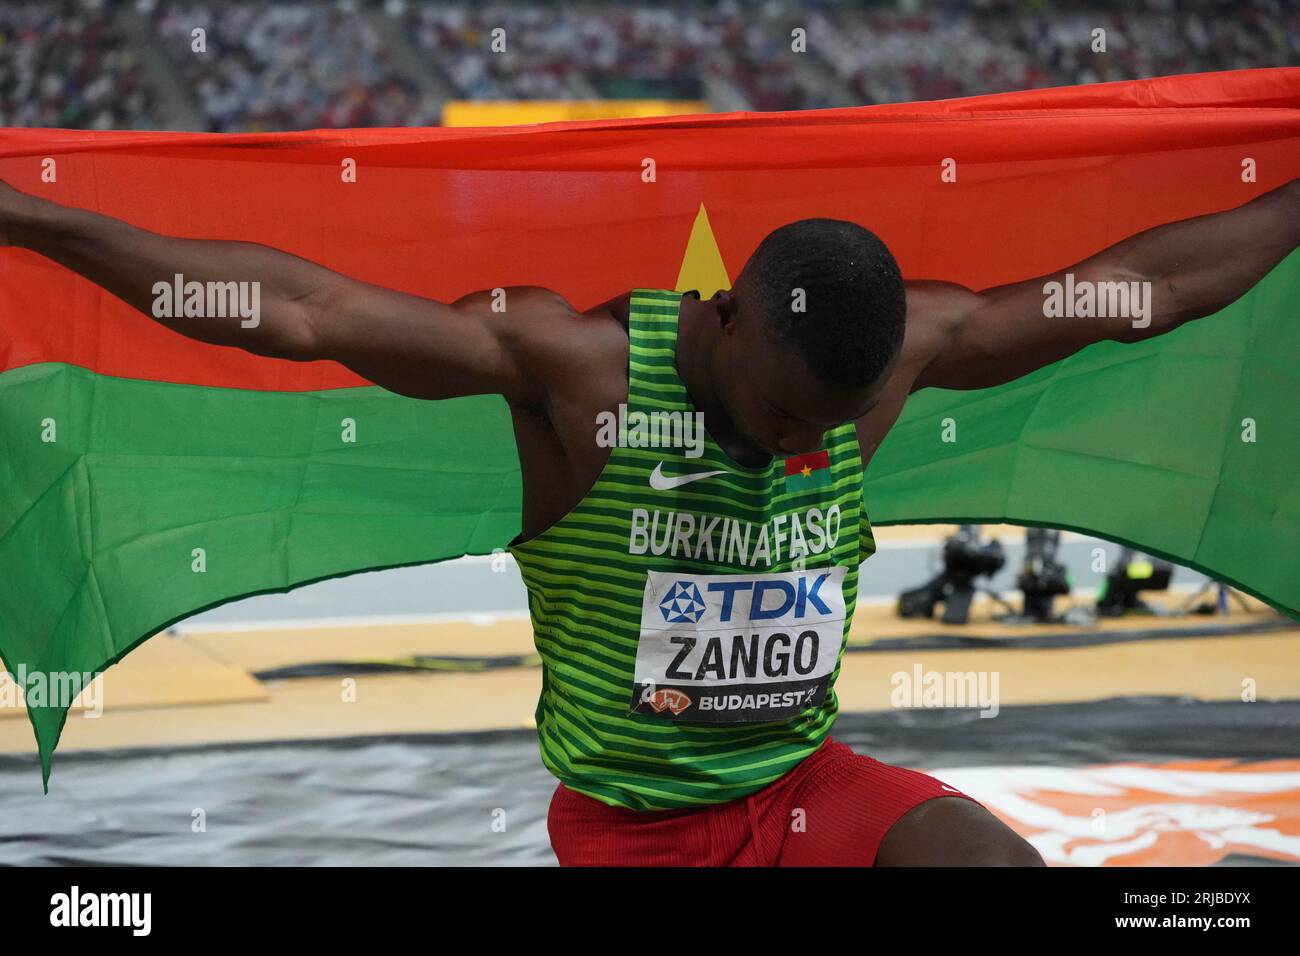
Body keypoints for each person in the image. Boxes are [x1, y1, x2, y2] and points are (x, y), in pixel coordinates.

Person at [1, 177, 1296, 865]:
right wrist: (34, 217)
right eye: (776, 415)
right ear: (721, 315)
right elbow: (308, 316)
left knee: (990, 869)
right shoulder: (581, 373)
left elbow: (1152, 289)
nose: (791, 451)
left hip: (803, 787)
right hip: (636, 832)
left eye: (817, 435)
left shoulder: (897, 354)